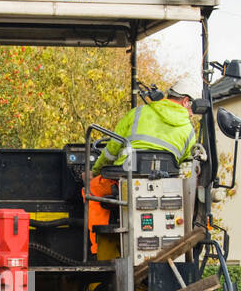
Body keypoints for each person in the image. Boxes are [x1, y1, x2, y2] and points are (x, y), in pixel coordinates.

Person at [86, 78, 202, 255]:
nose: (192, 114)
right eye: (192, 108)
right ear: (186, 101)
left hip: (124, 182)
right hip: (163, 189)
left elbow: (111, 151)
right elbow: (184, 162)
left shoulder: (137, 113)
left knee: (92, 188)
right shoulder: (188, 130)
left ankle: (96, 250)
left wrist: (93, 172)